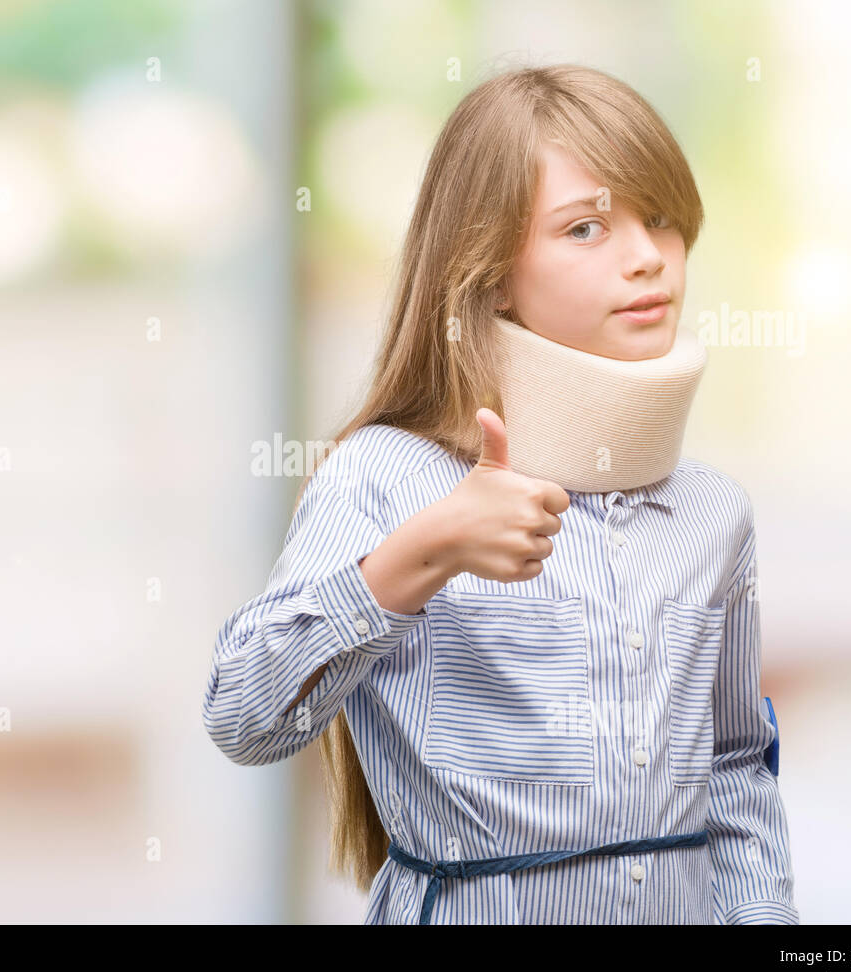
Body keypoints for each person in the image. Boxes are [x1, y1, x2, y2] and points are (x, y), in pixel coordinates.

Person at [201, 63, 799, 925]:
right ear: (489, 270)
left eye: (661, 218)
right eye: (587, 228)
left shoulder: (712, 512)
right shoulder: (385, 476)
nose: (646, 258)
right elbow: (243, 718)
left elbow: (736, 771)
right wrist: (420, 553)